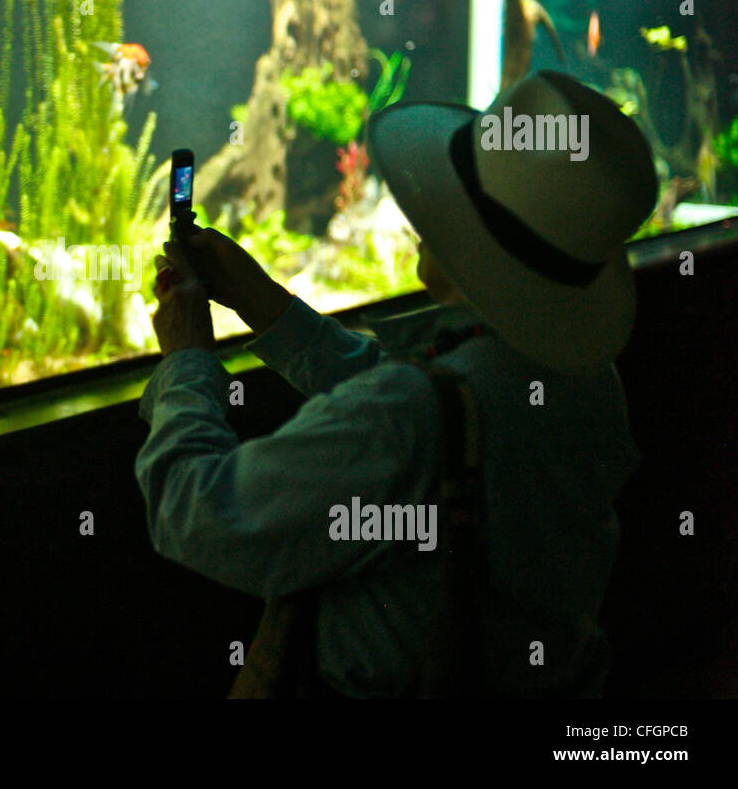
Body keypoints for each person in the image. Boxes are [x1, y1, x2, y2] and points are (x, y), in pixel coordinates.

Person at [135, 70, 658, 697]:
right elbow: (436, 392)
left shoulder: (404, 417)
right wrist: (261, 300)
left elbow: (197, 515)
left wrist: (186, 364)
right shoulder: (586, 382)